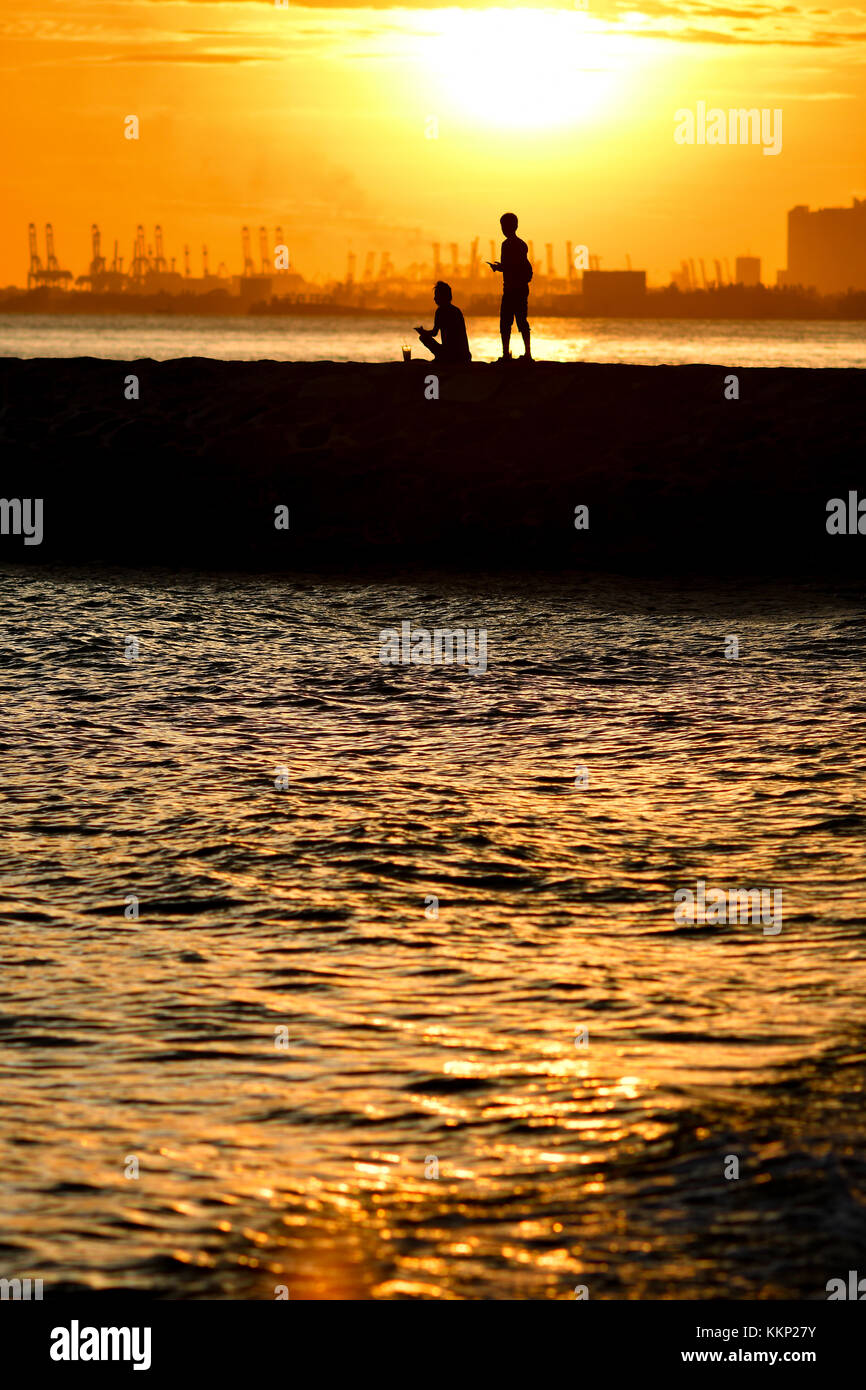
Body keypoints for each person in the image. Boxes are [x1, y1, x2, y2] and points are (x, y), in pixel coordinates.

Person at [487, 211, 533, 362]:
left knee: (506, 322)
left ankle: (506, 354)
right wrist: (503, 267)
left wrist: (498, 268)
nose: (502, 228)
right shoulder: (522, 244)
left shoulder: (506, 245)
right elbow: (517, 265)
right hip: (521, 289)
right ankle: (527, 354)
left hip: (511, 289)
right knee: (521, 321)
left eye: (503, 225)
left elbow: (510, 266)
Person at [414, 281, 471, 364]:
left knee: (423, 338)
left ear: (443, 296)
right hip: (464, 356)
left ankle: (441, 358)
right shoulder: (457, 310)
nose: (434, 298)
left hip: (450, 355)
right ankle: (441, 357)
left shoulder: (440, 311)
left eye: (436, 295)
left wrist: (422, 332)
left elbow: (434, 333)